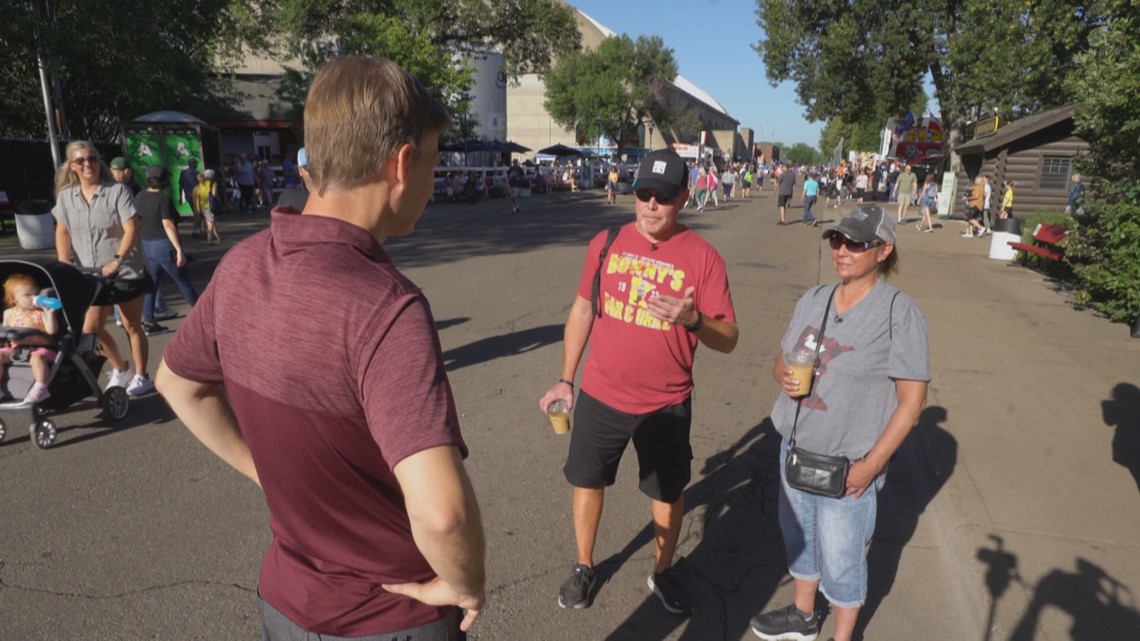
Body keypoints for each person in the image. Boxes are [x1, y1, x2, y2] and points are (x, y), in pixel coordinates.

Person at [154, 56, 485, 640]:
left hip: (284, 601)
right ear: (402, 165)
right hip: (390, 615)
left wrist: (266, 471)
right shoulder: (388, 308)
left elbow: (177, 385)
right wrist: (463, 584)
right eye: (432, 165)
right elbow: (443, 514)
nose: (433, 188)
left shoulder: (240, 266)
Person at [538, 149, 739, 615]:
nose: (650, 205)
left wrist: (694, 321)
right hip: (602, 396)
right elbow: (582, 310)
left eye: (663, 197)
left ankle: (663, 571)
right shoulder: (605, 243)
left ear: (684, 198)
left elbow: (728, 338)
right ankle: (585, 566)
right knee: (587, 482)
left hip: (666, 405)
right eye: (643, 194)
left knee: (667, 495)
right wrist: (566, 379)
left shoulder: (704, 258)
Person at [750, 203, 929, 641]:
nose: (842, 250)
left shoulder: (898, 313)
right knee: (800, 538)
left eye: (855, 243)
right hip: (795, 447)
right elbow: (780, 361)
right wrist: (786, 375)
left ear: (884, 249)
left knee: (843, 557)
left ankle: (843, 636)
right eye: (837, 240)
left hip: (850, 466)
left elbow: (913, 401)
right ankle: (803, 615)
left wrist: (871, 465)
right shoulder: (815, 298)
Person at [53, 142, 156, 396]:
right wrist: (64, 262)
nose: (87, 164)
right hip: (90, 273)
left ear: (99, 162)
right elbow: (62, 231)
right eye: (81, 161)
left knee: (131, 325)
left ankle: (143, 376)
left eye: (92, 159)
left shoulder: (117, 191)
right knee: (91, 329)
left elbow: (132, 228)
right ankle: (121, 368)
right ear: (72, 166)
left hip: (125, 270)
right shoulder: (66, 197)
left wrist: (117, 259)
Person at [135, 165, 199, 335]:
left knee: (152, 285)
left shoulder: (140, 196)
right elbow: (168, 225)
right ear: (164, 181)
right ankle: (202, 316)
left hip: (147, 243)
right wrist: (179, 250)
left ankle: (148, 321)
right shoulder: (164, 199)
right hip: (164, 244)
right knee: (183, 281)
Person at [1, 274, 59, 404]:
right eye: (27, 295)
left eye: (35, 294)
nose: (34, 298)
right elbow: (4, 332)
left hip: (41, 348)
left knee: (37, 358)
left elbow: (52, 331)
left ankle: (41, 387)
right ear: (14, 299)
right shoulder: (9, 313)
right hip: (16, 349)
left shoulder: (40, 313)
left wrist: (49, 315)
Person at [192, 170, 222, 244]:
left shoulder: (201, 184)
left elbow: (198, 195)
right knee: (210, 223)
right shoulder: (213, 183)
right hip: (211, 205)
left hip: (203, 205)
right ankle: (209, 240)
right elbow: (214, 194)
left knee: (212, 221)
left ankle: (219, 237)